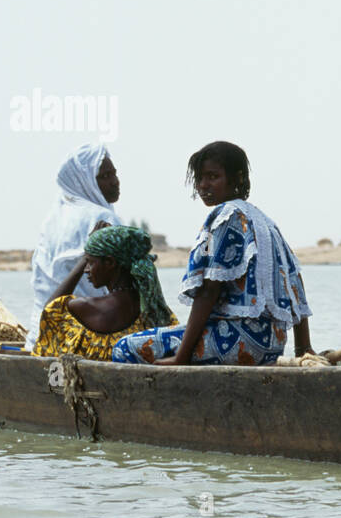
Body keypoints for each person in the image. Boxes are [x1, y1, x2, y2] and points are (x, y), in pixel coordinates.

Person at [112, 141, 313, 366]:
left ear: (237, 178)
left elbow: (208, 291)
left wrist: (181, 357)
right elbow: (296, 283)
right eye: (199, 178)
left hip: (238, 342)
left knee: (124, 348)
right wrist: (303, 347)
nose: (203, 185)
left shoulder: (226, 216)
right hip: (272, 345)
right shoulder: (266, 222)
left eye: (213, 177)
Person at [27, 144, 122, 349]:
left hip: (39, 336)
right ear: (84, 182)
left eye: (114, 173)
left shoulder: (51, 221)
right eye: (104, 176)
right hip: (84, 338)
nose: (115, 181)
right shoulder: (103, 218)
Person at [32, 226, 176, 360]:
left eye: (89, 262)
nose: (86, 269)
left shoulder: (83, 307)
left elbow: (50, 312)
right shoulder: (155, 311)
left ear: (109, 263)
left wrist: (81, 260)